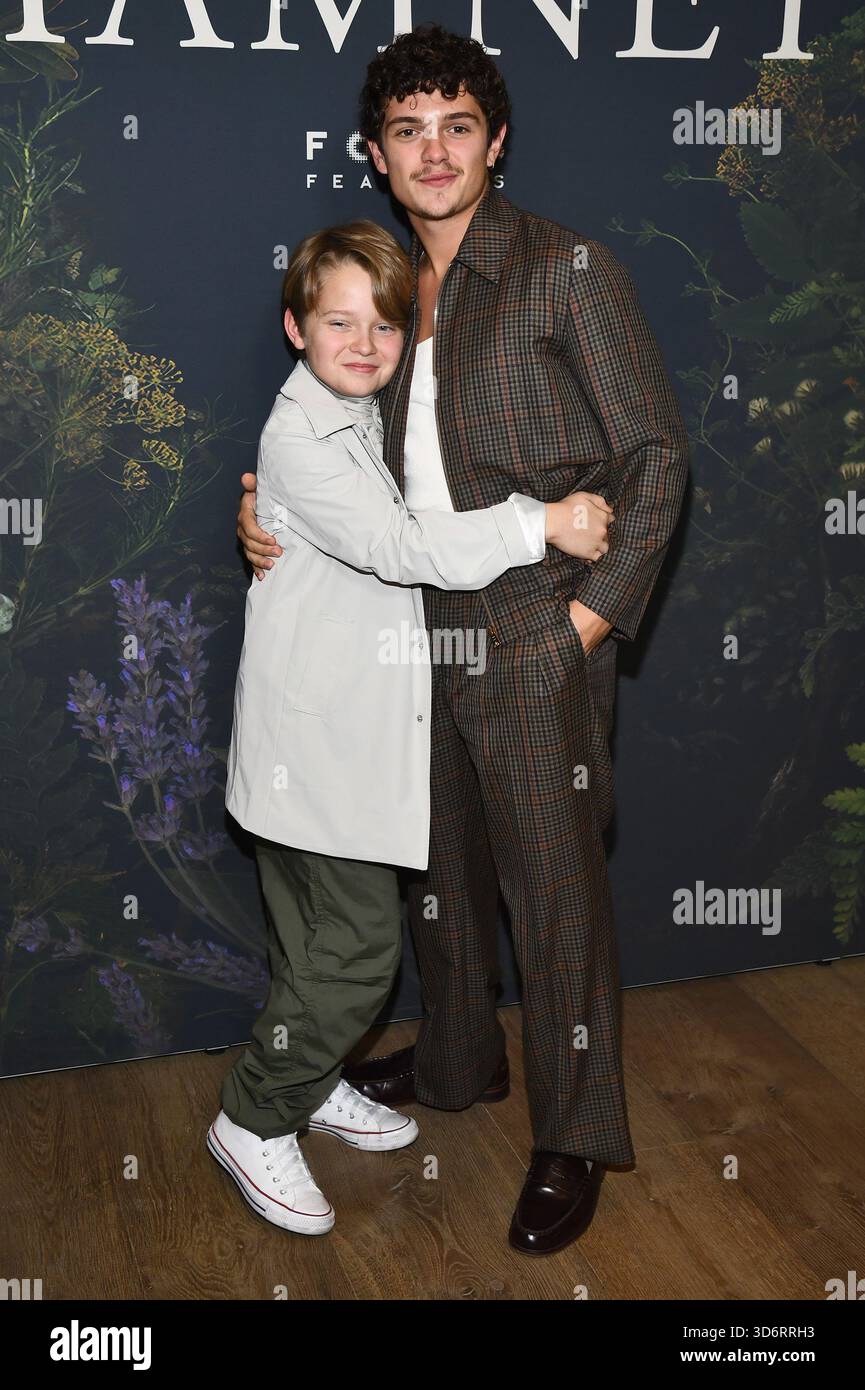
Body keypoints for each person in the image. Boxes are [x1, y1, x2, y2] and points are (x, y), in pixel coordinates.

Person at [239, 24, 689, 1256]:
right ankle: (453, 1068)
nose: (432, 151)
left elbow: (655, 459)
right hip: (404, 624)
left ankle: (575, 1130)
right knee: (432, 871)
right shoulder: (379, 281)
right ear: (377, 155)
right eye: (406, 130)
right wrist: (260, 506)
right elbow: (322, 428)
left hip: (533, 619)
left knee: (552, 894)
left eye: (456, 126)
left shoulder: (565, 268)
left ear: (495, 140)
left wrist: (586, 622)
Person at [209, 218, 613, 1237]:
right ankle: (256, 1114)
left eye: (385, 326)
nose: (364, 343)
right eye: (338, 322)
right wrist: (543, 521)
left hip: (331, 744)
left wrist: (261, 510)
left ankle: (299, 1083)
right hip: (320, 754)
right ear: (294, 329)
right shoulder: (305, 435)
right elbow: (396, 542)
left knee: (313, 950)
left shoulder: (352, 415)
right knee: (352, 955)